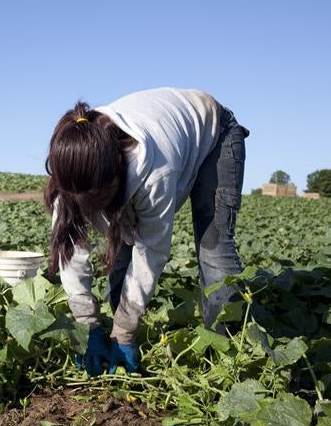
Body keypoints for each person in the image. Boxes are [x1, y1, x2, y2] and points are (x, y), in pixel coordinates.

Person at [44, 87, 250, 377]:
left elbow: (150, 252)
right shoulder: (71, 176)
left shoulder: (154, 171)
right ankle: (113, 336)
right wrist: (87, 325)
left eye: (99, 201)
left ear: (116, 177)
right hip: (164, 137)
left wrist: (125, 331)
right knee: (121, 246)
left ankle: (228, 359)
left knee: (214, 250)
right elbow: (71, 255)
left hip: (215, 135)